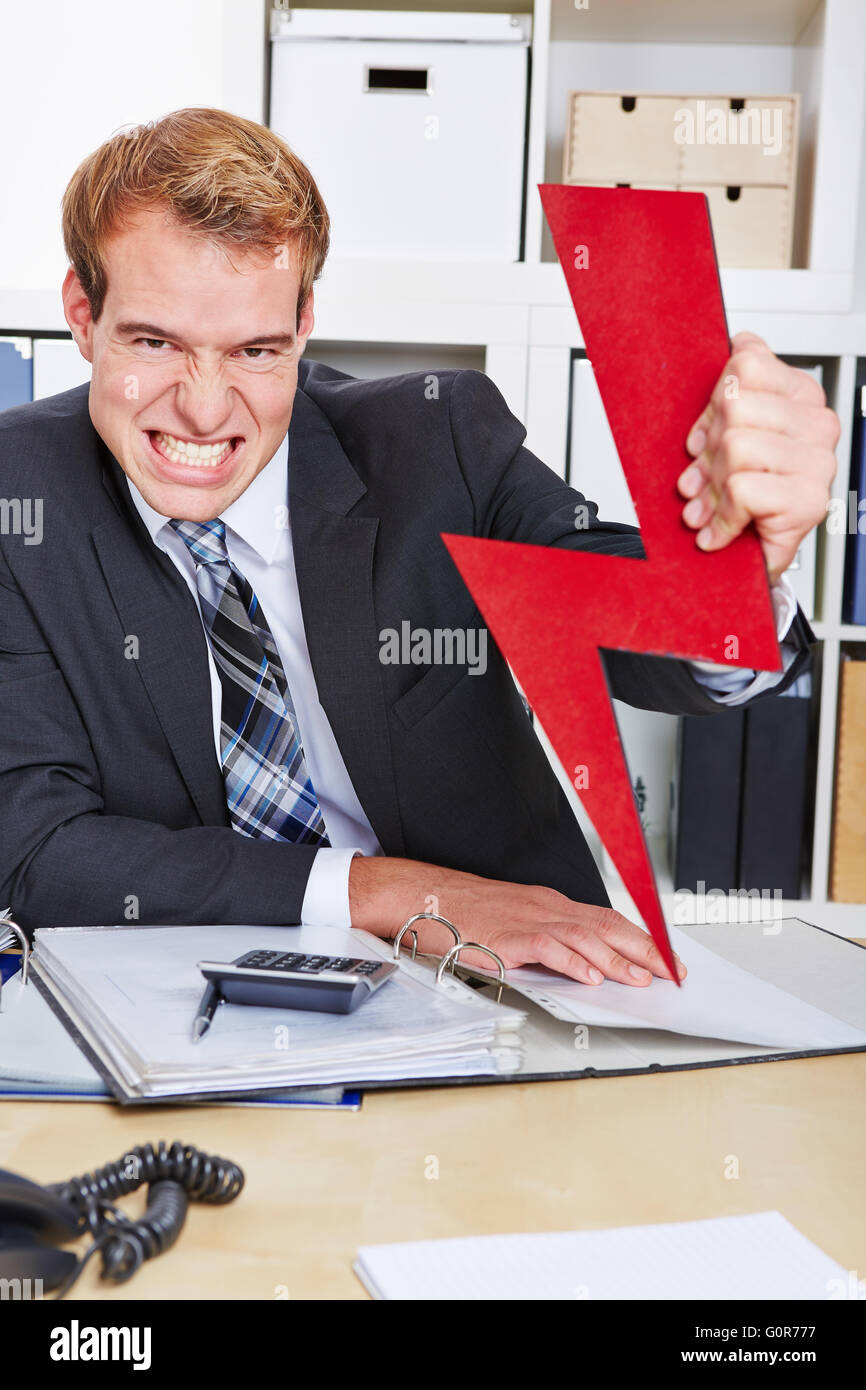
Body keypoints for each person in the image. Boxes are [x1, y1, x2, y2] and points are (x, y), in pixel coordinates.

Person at [0, 109, 837, 987]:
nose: (205, 412)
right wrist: (392, 894)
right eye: (155, 342)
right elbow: (35, 850)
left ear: (305, 321)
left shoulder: (438, 441)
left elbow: (621, 620)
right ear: (83, 317)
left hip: (516, 986)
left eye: (256, 350)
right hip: (184, 1000)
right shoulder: (21, 498)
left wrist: (738, 569)